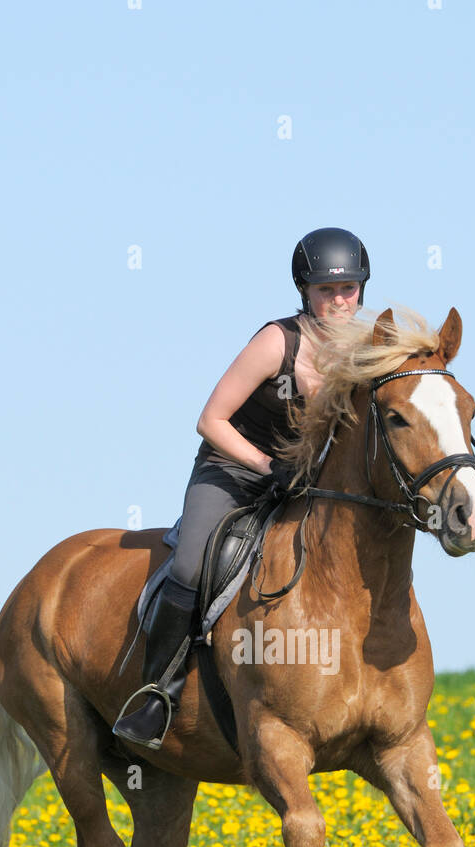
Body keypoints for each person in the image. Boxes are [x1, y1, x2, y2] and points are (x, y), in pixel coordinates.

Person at [112, 227, 370, 748]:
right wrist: (266, 463)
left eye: (347, 289)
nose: (338, 300)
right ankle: (157, 694)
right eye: (326, 290)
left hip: (305, 486)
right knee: (189, 564)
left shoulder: (367, 351)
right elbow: (210, 419)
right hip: (233, 472)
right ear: (305, 291)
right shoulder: (278, 341)